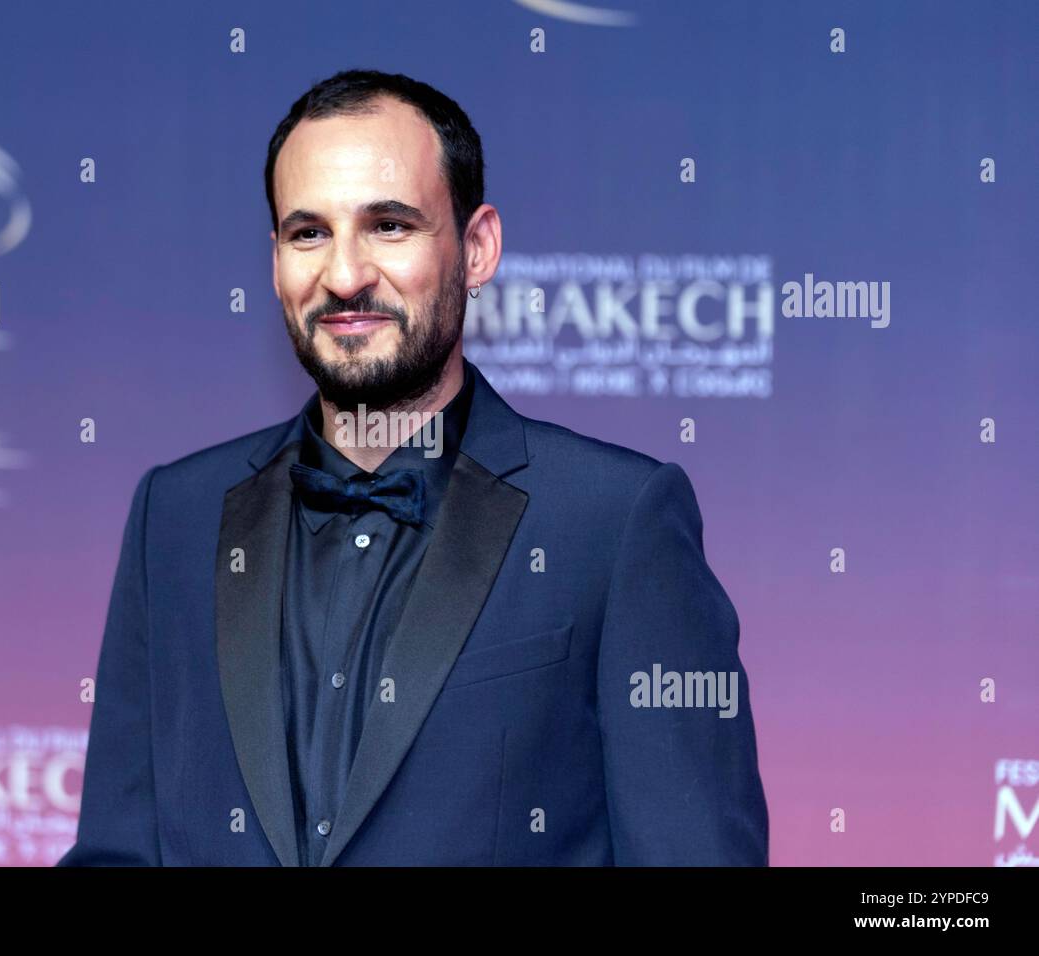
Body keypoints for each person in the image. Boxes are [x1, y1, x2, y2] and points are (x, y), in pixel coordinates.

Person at [58, 68, 768, 866]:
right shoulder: (176, 516)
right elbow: (117, 852)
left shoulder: (612, 521)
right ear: (275, 260)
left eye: (389, 225)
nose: (345, 274)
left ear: (477, 247)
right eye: (308, 232)